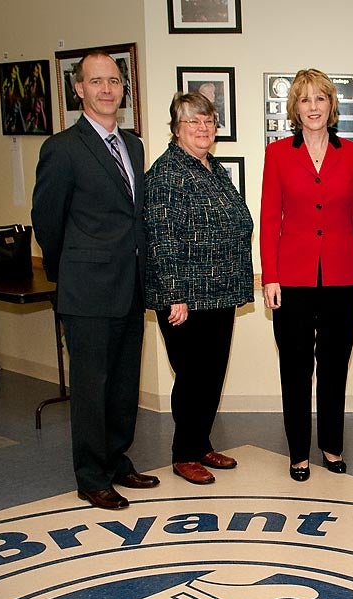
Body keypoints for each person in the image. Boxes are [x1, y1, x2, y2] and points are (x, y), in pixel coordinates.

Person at [32, 50, 157, 510]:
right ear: (79, 89)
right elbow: (47, 220)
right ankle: (91, 476)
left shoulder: (133, 145)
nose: (107, 89)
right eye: (97, 81)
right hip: (86, 291)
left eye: (114, 81)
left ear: (123, 89)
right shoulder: (63, 148)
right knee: (91, 388)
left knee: (123, 385)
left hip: (130, 286)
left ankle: (116, 460)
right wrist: (67, 272)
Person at [260, 68, 353, 482]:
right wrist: (270, 276)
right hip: (291, 280)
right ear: (295, 107)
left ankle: (332, 445)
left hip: (343, 279)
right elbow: (269, 218)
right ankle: (298, 453)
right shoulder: (277, 154)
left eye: (320, 98)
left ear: (331, 105)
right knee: (294, 370)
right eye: (305, 99)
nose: (313, 107)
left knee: (333, 368)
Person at [144, 92, 253, 485]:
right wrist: (175, 294)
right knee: (192, 377)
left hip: (219, 293)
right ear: (177, 128)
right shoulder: (167, 173)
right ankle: (184, 453)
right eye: (193, 121)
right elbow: (162, 237)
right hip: (185, 298)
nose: (203, 128)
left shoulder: (212, 168)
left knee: (211, 375)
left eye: (208, 121)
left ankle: (201, 443)